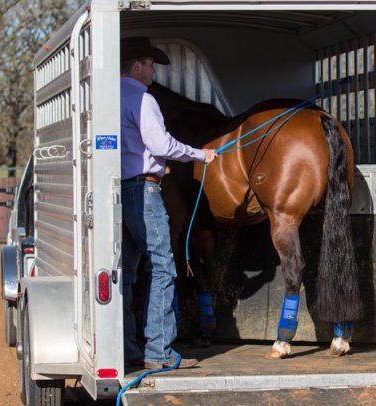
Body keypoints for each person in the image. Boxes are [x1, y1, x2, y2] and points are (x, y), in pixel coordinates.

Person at [119, 37, 217, 370]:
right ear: (136, 65)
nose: (153, 71)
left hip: (120, 192)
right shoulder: (143, 100)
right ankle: (159, 352)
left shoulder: (107, 98)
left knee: (129, 273)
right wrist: (199, 154)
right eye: (149, 64)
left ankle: (129, 349)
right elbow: (160, 144)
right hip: (145, 191)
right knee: (163, 267)